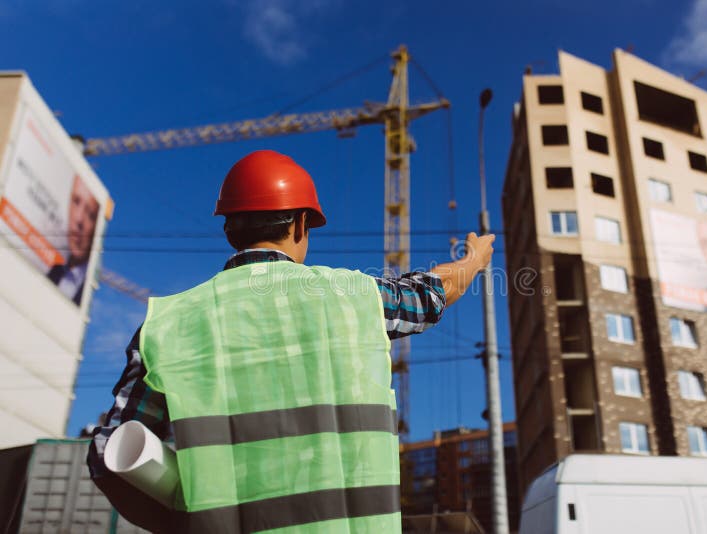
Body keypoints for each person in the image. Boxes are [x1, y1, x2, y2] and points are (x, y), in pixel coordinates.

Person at [87, 150, 495, 533]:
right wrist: (473, 260)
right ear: (301, 224)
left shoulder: (168, 323)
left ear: (229, 228)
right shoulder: (352, 296)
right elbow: (429, 294)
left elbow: (108, 455)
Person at [48, 174, 100, 305]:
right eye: (76, 201)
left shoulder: (85, 292)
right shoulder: (53, 271)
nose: (79, 219)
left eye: (90, 214)